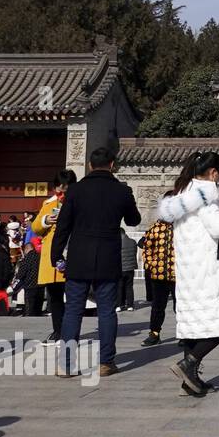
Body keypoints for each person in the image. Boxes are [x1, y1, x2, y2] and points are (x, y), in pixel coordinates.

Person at [157, 151, 219, 397]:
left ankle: (190, 380)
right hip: (209, 270)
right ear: (213, 173)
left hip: (190, 270)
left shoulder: (184, 194)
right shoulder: (206, 195)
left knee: (194, 326)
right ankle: (189, 363)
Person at [51, 148, 141, 377]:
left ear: (90, 165)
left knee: (72, 311)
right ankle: (105, 362)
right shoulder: (121, 191)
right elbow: (134, 219)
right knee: (107, 311)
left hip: (79, 257)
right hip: (108, 257)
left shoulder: (75, 191)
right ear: (112, 164)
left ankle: (66, 365)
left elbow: (63, 225)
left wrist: (56, 255)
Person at [31, 170, 77, 343]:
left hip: (71, 253)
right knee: (55, 297)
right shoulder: (48, 203)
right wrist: (45, 221)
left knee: (73, 297)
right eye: (60, 189)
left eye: (65, 190)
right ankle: (58, 330)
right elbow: (35, 228)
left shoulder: (77, 202)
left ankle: (69, 332)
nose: (62, 193)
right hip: (51, 257)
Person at [138, 206, 177, 346]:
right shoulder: (155, 228)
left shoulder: (181, 227)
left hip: (177, 274)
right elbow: (146, 248)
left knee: (180, 306)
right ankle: (154, 333)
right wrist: (150, 265)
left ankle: (185, 335)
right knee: (157, 306)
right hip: (158, 274)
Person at [116, 228, 138, 312]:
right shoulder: (133, 242)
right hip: (131, 268)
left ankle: (119, 305)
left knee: (119, 287)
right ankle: (130, 305)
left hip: (120, 268)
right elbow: (135, 253)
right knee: (129, 287)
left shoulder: (117, 243)